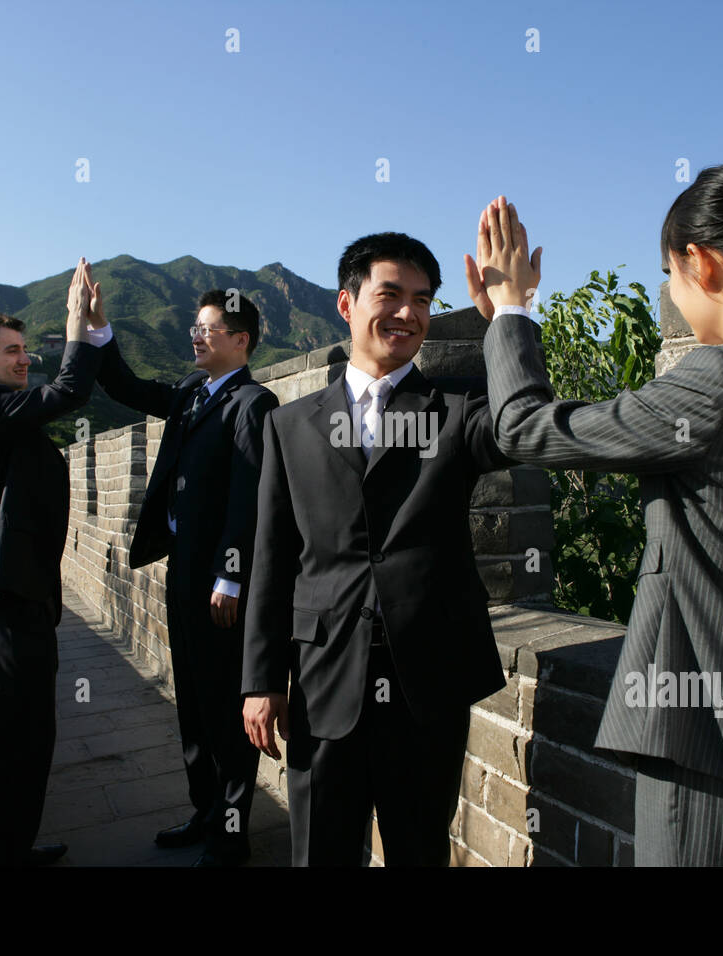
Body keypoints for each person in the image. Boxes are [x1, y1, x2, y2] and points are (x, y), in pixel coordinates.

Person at [471, 166, 723, 866]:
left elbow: (525, 428)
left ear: (700, 262)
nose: (671, 293)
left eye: (668, 273)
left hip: (709, 747)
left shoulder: (719, 381)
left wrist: (512, 311)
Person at [241, 232, 517, 866]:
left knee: (420, 851)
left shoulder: (458, 409)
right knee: (322, 852)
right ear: (346, 301)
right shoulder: (289, 425)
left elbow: (521, 428)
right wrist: (261, 680)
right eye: (390, 294)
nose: (408, 313)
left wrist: (508, 317)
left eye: (423, 300)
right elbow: (272, 560)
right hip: (323, 680)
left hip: (426, 681)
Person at [96, 289, 277, 867]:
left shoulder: (253, 404)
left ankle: (232, 834)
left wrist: (231, 576)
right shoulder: (190, 395)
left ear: (240, 340)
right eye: (195, 329)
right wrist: (97, 332)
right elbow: (128, 390)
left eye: (207, 329)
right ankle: (204, 811)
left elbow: (249, 498)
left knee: (225, 705)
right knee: (193, 702)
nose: (196, 337)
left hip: (220, 583)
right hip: (182, 569)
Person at [0, 259, 109, 866]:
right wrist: (78, 324)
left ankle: (11, 843)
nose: (23, 359)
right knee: (7, 738)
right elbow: (68, 392)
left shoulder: (7, 418)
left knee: (29, 735)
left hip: (26, 599)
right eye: (12, 351)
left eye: (24, 350)